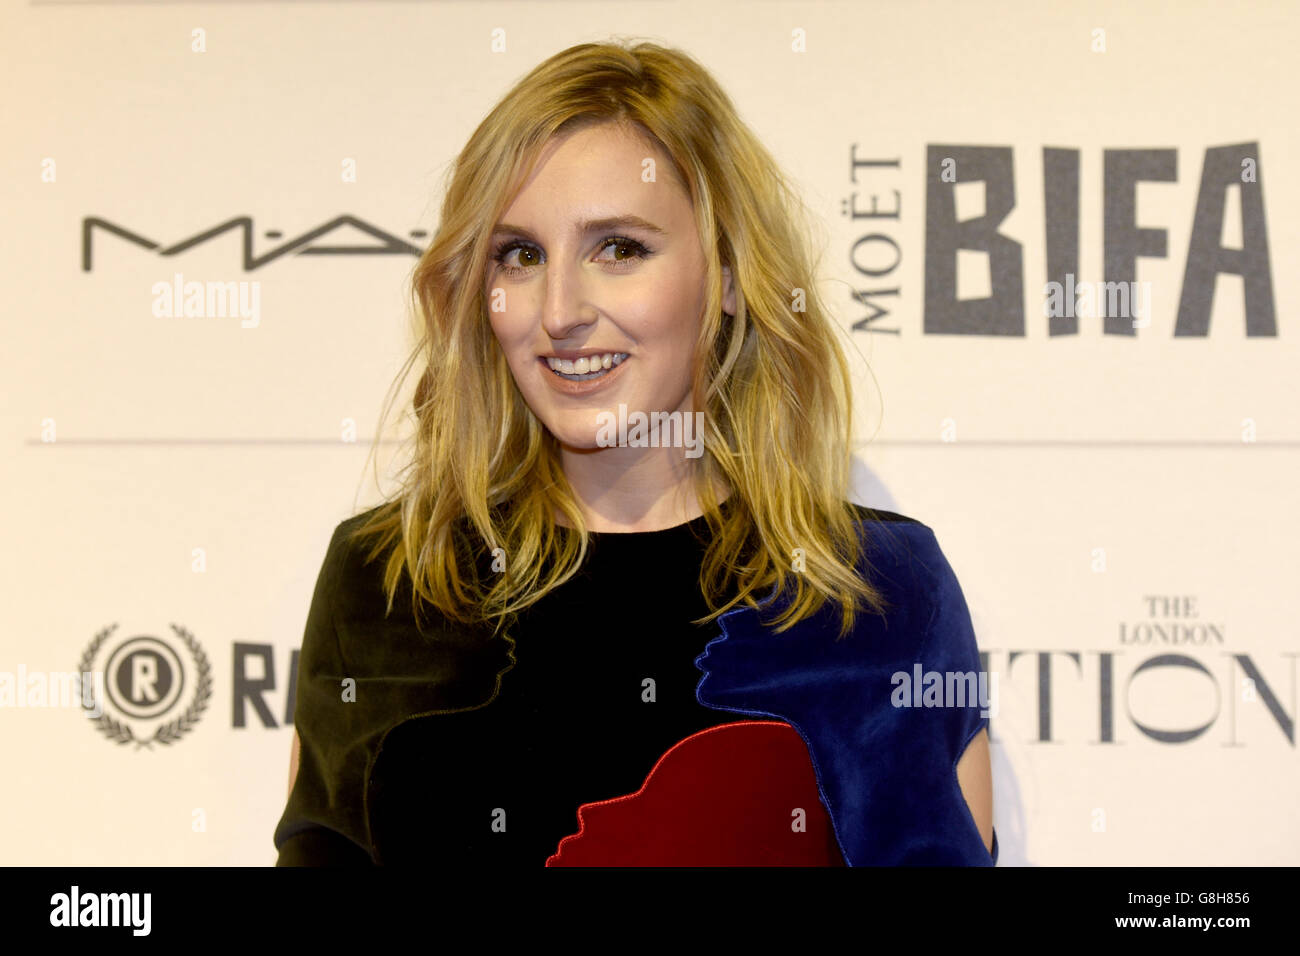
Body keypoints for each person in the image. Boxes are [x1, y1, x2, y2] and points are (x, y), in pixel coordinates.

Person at [273, 38, 996, 866]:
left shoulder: (877, 591)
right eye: (521, 253)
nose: (560, 310)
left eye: (618, 248)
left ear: (727, 276)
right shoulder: (386, 578)